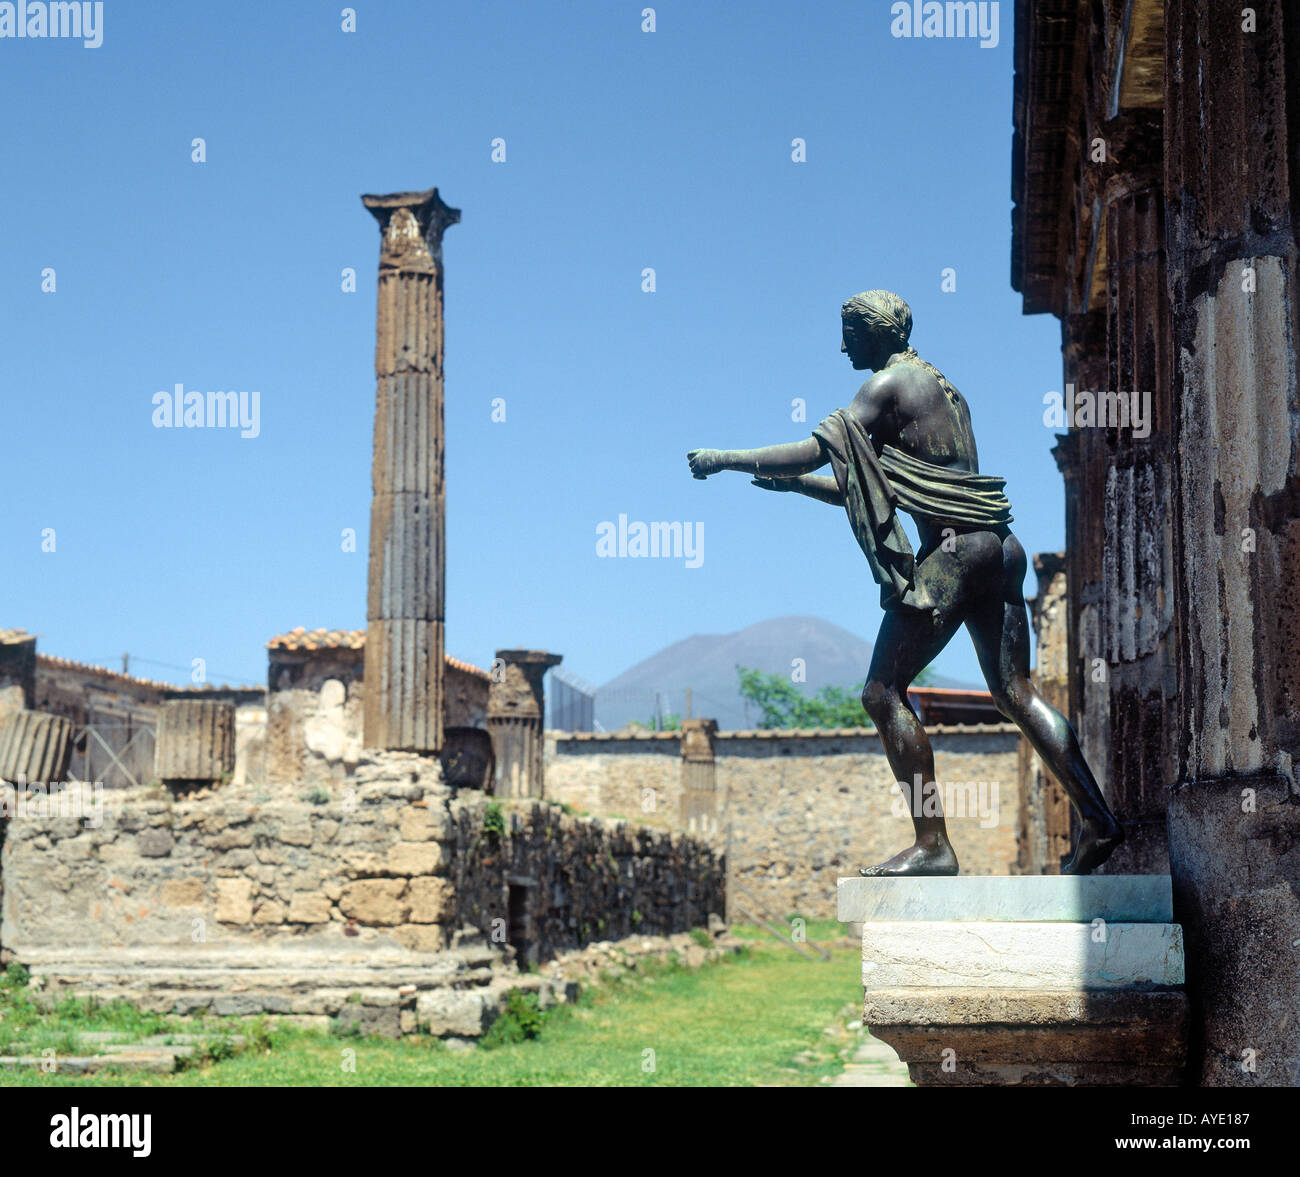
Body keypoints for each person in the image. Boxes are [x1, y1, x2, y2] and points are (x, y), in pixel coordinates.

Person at [686, 290, 1122, 875]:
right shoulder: (942, 389)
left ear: (877, 331)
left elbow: (816, 452)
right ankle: (1098, 819)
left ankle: (933, 844)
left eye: (850, 333)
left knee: (881, 692)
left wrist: (728, 458)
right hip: (998, 546)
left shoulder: (885, 386)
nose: (843, 346)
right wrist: (791, 488)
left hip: (954, 553)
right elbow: (873, 487)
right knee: (1018, 692)